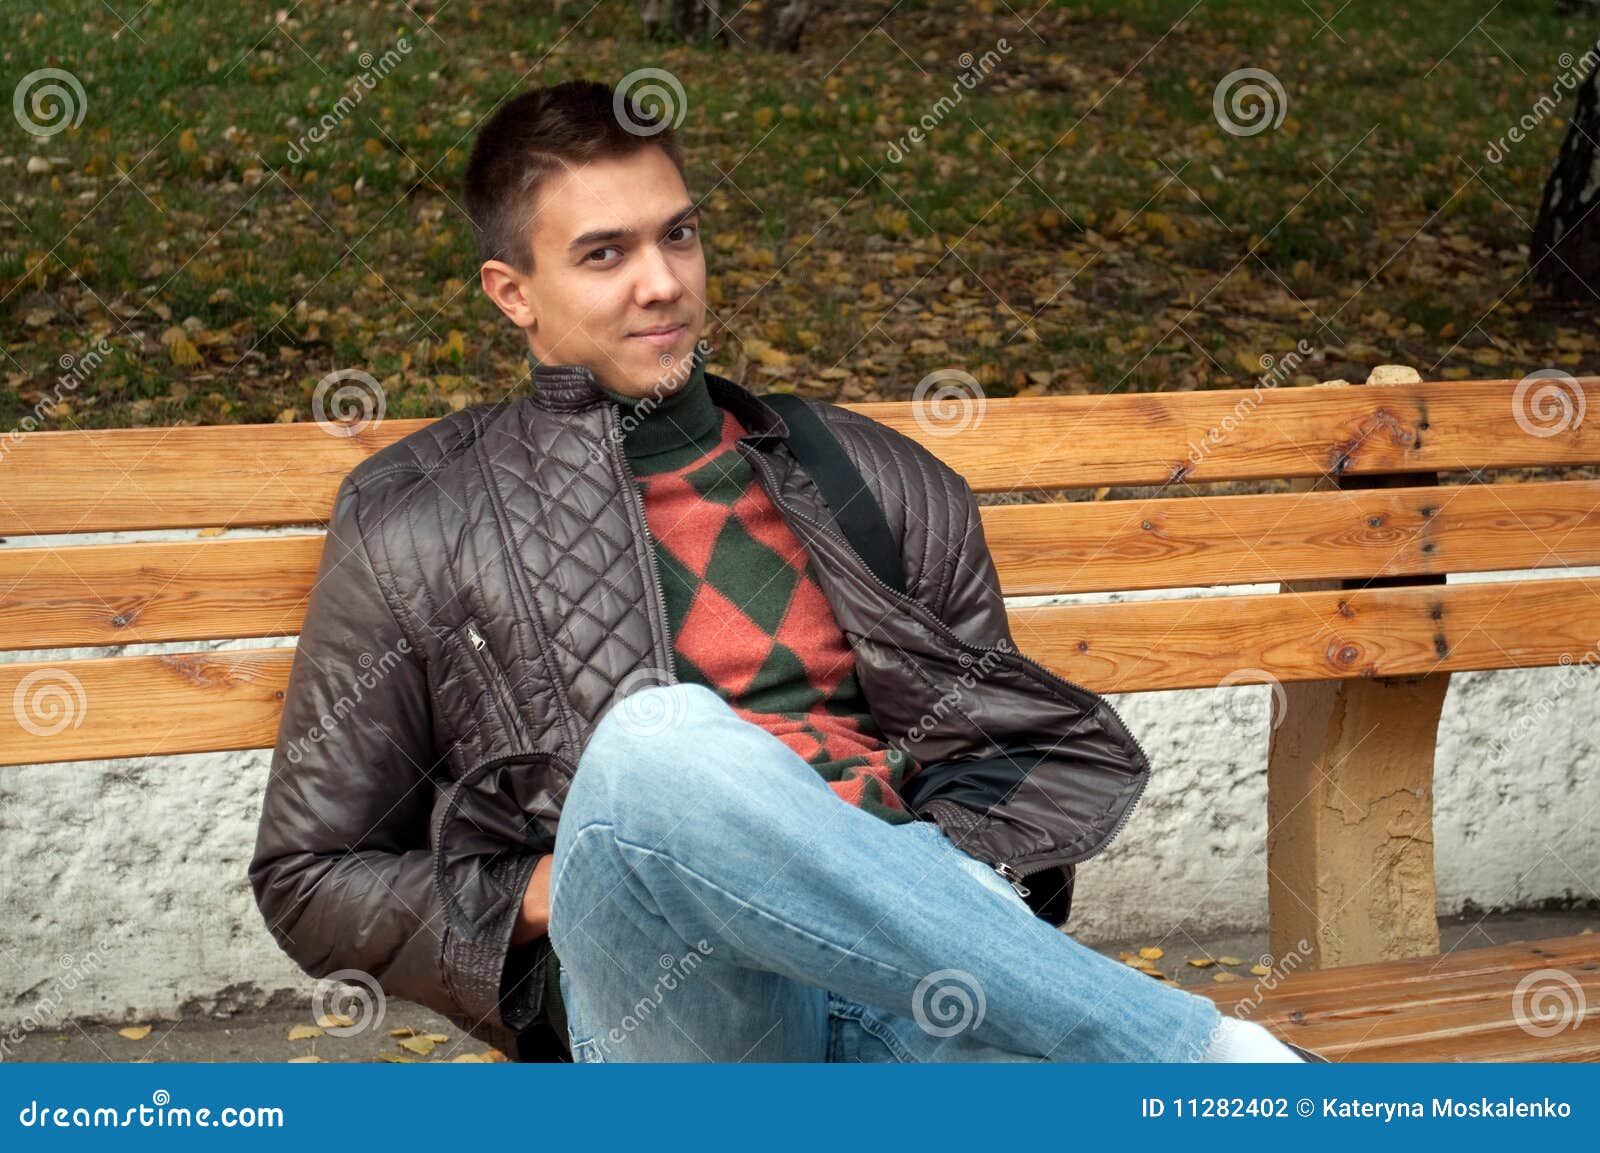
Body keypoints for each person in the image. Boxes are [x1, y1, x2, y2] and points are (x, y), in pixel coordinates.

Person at [249, 78, 1313, 1063]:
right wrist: (584, 875)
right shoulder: (417, 518)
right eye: (605, 255)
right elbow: (311, 877)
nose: (663, 283)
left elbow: (992, 752)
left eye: (678, 235)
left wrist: (931, 886)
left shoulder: (880, 479)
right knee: (659, 745)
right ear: (512, 292)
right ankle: (1207, 1055)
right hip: (678, 1005)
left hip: (906, 980)